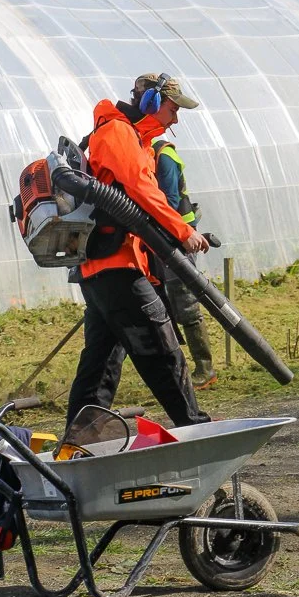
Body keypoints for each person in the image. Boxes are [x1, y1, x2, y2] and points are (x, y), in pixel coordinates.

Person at [64, 73, 211, 435]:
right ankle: (195, 430)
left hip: (105, 267)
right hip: (116, 267)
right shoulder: (117, 132)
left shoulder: (133, 138)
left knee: (101, 364)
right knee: (162, 349)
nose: (175, 119)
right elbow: (141, 189)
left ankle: (80, 442)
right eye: (173, 109)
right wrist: (183, 231)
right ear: (150, 103)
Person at [153, 137, 217, 388]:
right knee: (165, 305)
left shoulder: (164, 157)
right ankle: (178, 370)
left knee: (186, 305)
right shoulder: (153, 156)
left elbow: (168, 202)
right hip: (163, 239)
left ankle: (205, 369)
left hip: (176, 240)